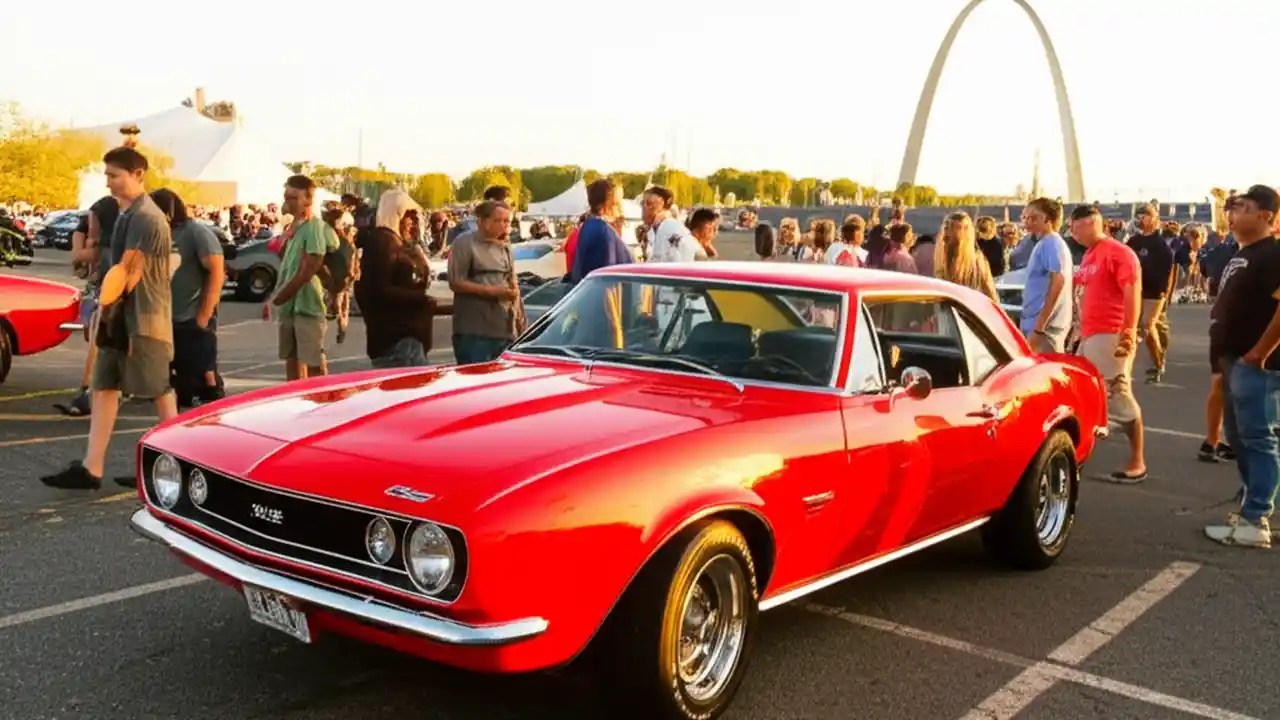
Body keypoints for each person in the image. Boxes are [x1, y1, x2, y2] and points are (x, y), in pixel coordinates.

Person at [40, 147, 175, 490]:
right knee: (103, 387)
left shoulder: (147, 217)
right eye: (107, 175)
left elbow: (128, 272)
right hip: (120, 316)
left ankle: (174, 466)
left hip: (143, 320)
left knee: (159, 391)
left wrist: (104, 305)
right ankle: (91, 469)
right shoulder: (127, 214)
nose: (108, 182)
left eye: (114, 175)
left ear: (138, 175)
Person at [1205, 185, 1280, 548]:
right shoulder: (1243, 254)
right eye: (1232, 209)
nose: (1233, 215)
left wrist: (1259, 353)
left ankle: (1256, 519)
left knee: (1258, 439)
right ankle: (1252, 508)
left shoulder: (1272, 253)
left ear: (1266, 216)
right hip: (1234, 361)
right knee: (1240, 439)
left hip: (1256, 365)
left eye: (1243, 208)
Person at [1071, 204, 1146, 482]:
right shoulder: (1090, 254)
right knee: (1088, 395)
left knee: (1118, 395)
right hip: (1090, 335)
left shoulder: (1118, 253)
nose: (1073, 234)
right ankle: (1080, 452)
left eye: (1075, 227)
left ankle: (1137, 461)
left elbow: (1132, 288)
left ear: (1090, 223)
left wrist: (1128, 331)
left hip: (1110, 333)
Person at [154, 188, 224, 408]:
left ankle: (211, 393)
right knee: (181, 381)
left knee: (201, 369)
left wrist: (204, 314)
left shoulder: (195, 232)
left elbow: (216, 270)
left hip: (190, 315)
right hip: (166, 316)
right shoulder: (159, 234)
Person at [56, 195, 121, 417]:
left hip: (108, 296)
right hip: (109, 294)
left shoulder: (104, 247)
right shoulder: (119, 241)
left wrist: (81, 236)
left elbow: (77, 258)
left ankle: (87, 389)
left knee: (96, 338)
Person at [355, 189, 435, 368]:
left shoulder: (398, 244)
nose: (413, 222)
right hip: (397, 341)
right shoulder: (383, 241)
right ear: (395, 213)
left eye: (416, 217)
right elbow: (378, 290)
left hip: (406, 338)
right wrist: (422, 298)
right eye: (409, 216)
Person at [274, 174, 338, 380]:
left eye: (294, 198)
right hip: (291, 309)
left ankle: (319, 397)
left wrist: (280, 297)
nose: (288, 202)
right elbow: (285, 258)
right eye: (286, 197)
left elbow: (311, 266)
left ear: (308, 200)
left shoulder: (314, 227)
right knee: (292, 360)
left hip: (308, 306)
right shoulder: (294, 227)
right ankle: (295, 396)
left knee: (313, 363)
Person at [449, 200, 524, 363]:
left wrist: (521, 323)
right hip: (475, 333)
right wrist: (493, 291)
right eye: (499, 221)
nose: (505, 226)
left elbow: (513, 284)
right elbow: (456, 282)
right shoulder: (465, 243)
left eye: (507, 221)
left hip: (505, 331)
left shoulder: (505, 247)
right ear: (483, 221)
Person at [1127, 203, 1176, 383]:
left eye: (1146, 216)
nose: (1142, 220)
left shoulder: (1161, 245)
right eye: (1139, 216)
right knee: (1131, 328)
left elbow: (1168, 272)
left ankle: (1158, 363)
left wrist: (1165, 294)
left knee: (1146, 326)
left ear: (1155, 219)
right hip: (1135, 289)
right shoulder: (1133, 242)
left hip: (1154, 292)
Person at [1019, 198, 1073, 352]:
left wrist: (1039, 327)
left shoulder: (1052, 243)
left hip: (1045, 329)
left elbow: (1058, 281)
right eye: (1025, 217)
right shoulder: (1044, 243)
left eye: (1033, 218)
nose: (1027, 222)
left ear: (1048, 219)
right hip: (1039, 326)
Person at [569, 178, 633, 284]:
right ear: (607, 203)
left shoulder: (589, 226)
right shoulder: (603, 231)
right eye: (617, 203)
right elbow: (606, 275)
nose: (620, 207)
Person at [934, 212, 998, 302]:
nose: (946, 231)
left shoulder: (977, 262)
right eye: (946, 226)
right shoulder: (941, 258)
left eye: (951, 226)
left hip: (971, 307)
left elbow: (992, 296)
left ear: (965, 231)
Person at [642, 186, 697, 263]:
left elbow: (687, 257)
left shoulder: (671, 228)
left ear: (661, 203)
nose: (644, 207)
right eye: (642, 203)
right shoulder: (654, 230)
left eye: (649, 203)